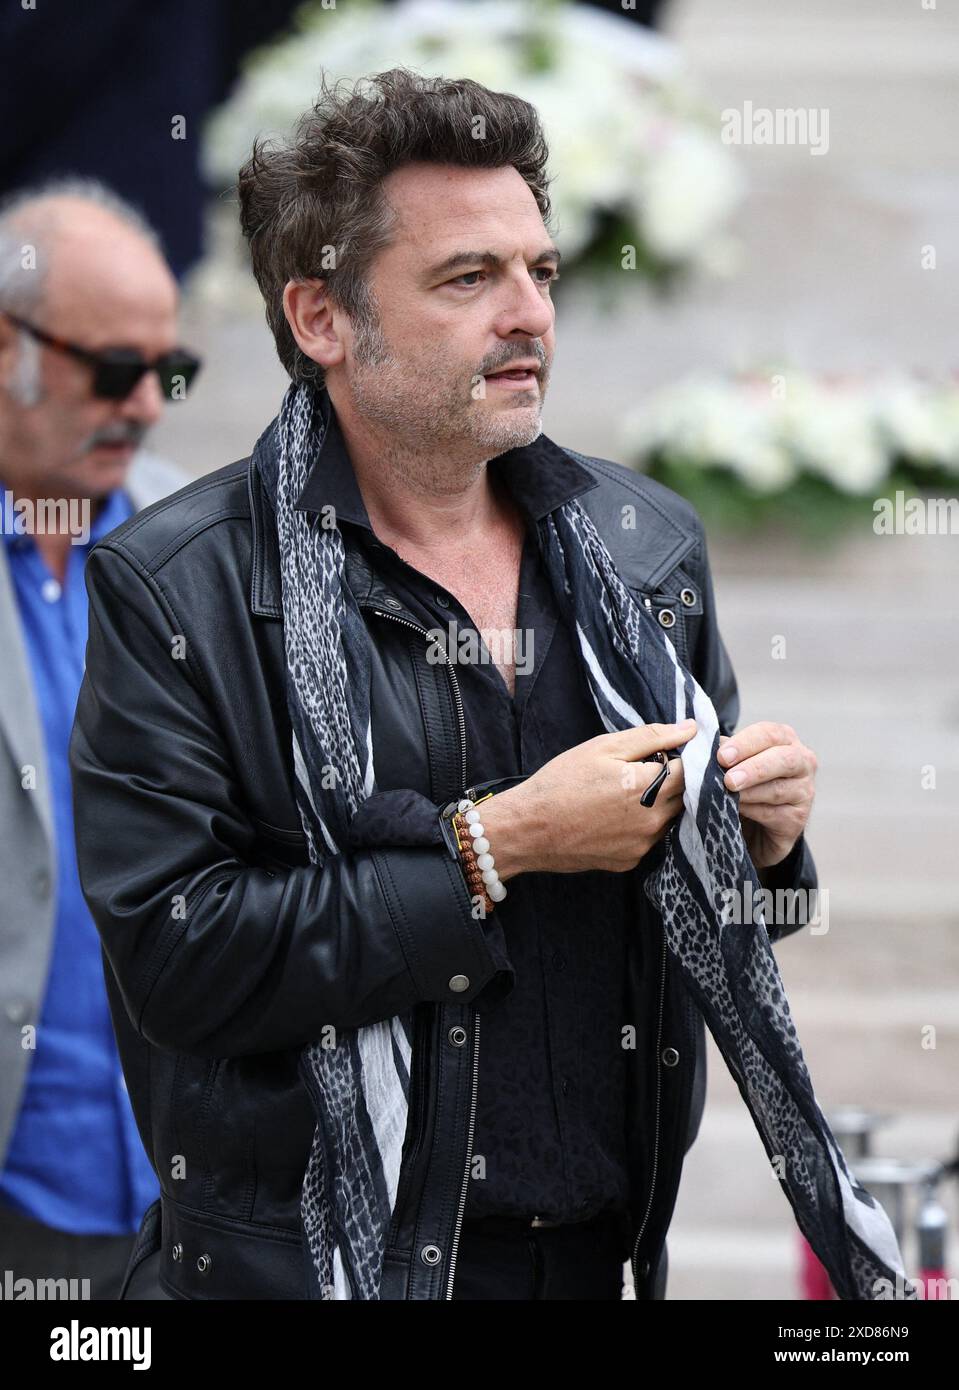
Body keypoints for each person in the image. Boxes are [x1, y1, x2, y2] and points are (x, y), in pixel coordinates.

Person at [70, 70, 818, 1302]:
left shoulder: (643, 548)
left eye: (540, 271)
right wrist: (493, 845)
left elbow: (734, 932)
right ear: (321, 317)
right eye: (468, 278)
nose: (528, 314)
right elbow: (177, 963)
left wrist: (766, 846)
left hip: (601, 1265)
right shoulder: (177, 586)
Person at [0, 178, 199, 1298]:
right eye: (114, 369)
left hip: (196, 1191)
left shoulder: (211, 542)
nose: (147, 406)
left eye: (169, 372)